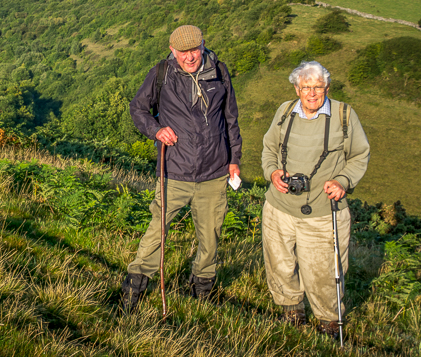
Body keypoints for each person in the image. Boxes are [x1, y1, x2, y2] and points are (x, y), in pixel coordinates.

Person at [121, 24, 242, 312]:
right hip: (174, 169)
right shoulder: (162, 73)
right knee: (157, 232)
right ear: (173, 51)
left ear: (203, 45)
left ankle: (202, 287)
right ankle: (134, 288)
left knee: (210, 236)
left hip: (214, 171)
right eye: (183, 52)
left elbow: (231, 119)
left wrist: (234, 159)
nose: (190, 57)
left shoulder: (219, 72)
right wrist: (156, 129)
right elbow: (137, 108)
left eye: (195, 50)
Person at [261, 61, 370, 339]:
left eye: (318, 87)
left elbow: (359, 155)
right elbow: (269, 148)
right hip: (279, 207)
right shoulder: (285, 111)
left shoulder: (344, 116)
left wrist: (343, 182)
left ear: (327, 88)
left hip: (323, 210)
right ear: (297, 89)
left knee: (324, 271)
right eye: (306, 87)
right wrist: (273, 172)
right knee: (280, 264)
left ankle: (328, 322)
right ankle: (291, 311)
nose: (312, 93)